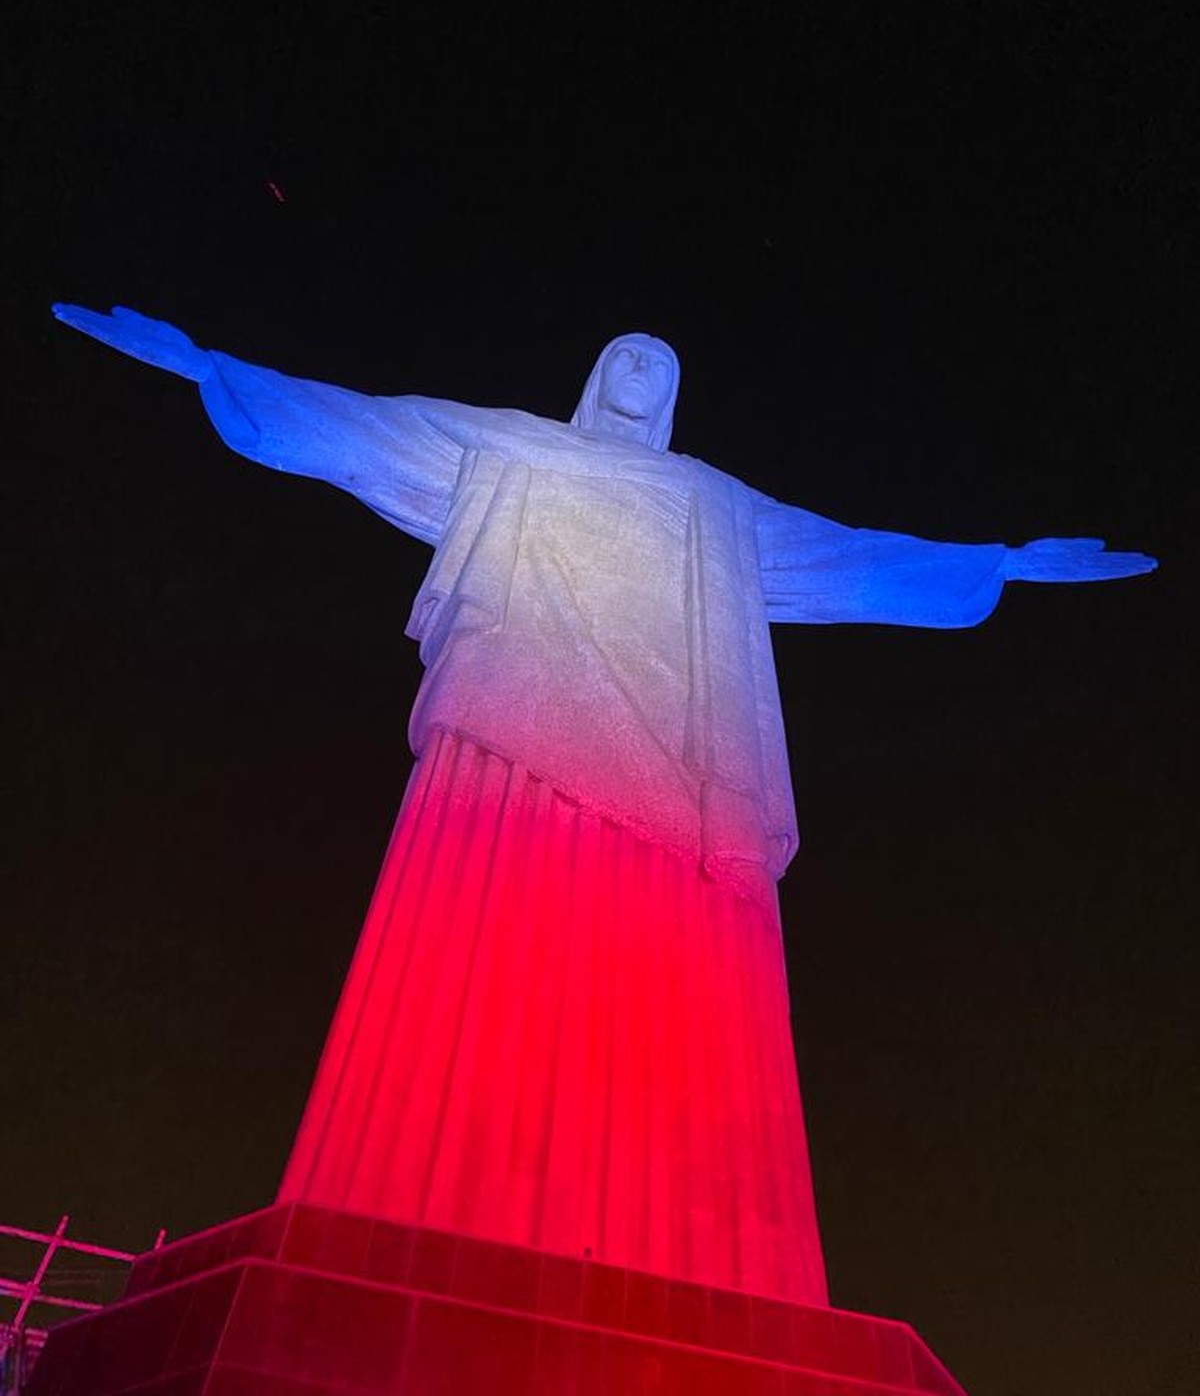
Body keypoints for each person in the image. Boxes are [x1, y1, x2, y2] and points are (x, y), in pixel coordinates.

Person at [49, 303, 1155, 1305]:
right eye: (625, 349)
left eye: (659, 359)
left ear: (673, 398)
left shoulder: (715, 504)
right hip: (508, 758)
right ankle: (401, 1195)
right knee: (475, 966)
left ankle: (703, 1257)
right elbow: (360, 426)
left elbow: (849, 556)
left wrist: (1000, 564)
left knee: (673, 1014)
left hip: (679, 793)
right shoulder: (512, 443)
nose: (639, 363)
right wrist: (209, 365)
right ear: (593, 371)